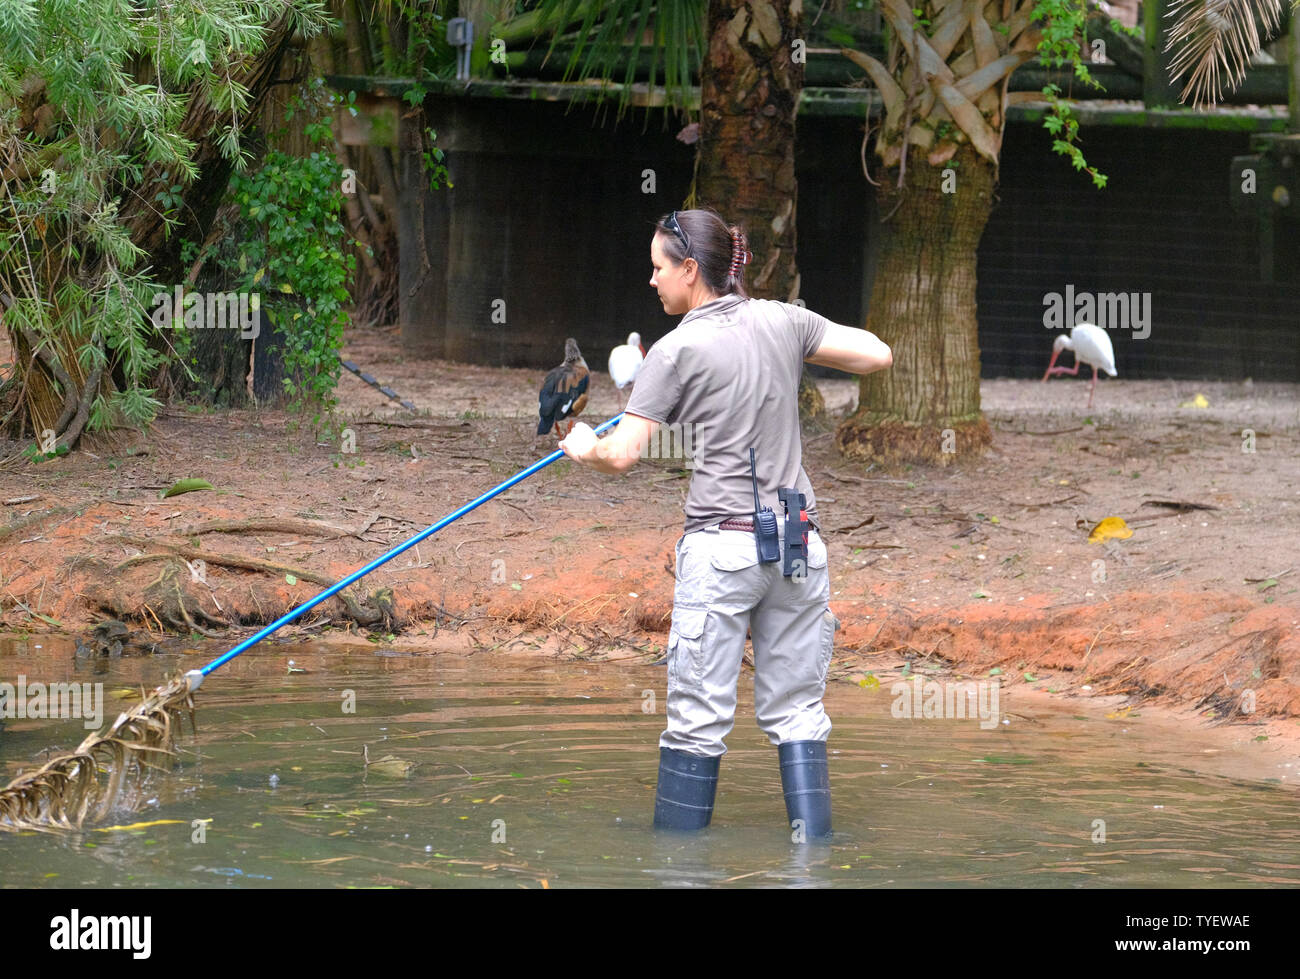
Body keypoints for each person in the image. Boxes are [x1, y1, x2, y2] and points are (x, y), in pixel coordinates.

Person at [559, 208, 892, 840]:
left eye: (659, 268)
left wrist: (582, 446)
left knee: (697, 721)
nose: (651, 279)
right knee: (798, 714)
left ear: (690, 270)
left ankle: (677, 871)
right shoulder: (784, 319)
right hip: (799, 547)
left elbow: (623, 452)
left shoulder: (675, 348)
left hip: (724, 551)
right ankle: (811, 862)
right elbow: (878, 353)